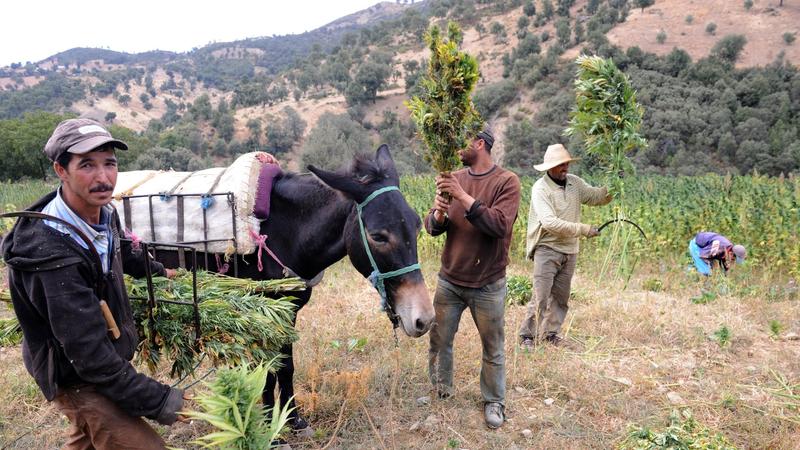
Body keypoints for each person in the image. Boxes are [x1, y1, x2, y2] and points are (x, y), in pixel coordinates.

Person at [2, 118, 186, 449]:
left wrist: (159, 272)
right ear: (61, 169)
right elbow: (88, 356)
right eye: (87, 165)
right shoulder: (51, 254)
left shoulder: (102, 212)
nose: (103, 178)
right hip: (75, 376)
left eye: (109, 164)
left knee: (86, 440)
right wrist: (161, 401)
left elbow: (123, 251)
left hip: (95, 362)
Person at [425, 128, 521, 429]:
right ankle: (441, 390)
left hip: (488, 283)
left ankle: (494, 401)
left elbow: (499, 226)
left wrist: (462, 196)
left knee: (492, 347)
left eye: (464, 142)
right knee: (439, 340)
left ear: (480, 144)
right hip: (450, 279)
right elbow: (432, 227)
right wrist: (438, 215)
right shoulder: (453, 177)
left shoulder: (506, 181)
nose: (457, 149)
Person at [518, 144, 612, 349]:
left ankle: (550, 334)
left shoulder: (574, 184)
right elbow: (549, 222)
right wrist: (584, 229)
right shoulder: (540, 189)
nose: (565, 168)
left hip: (570, 249)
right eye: (560, 165)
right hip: (547, 248)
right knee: (541, 296)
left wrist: (613, 184)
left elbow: (597, 197)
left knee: (561, 297)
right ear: (549, 167)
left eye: (566, 164)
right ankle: (527, 336)